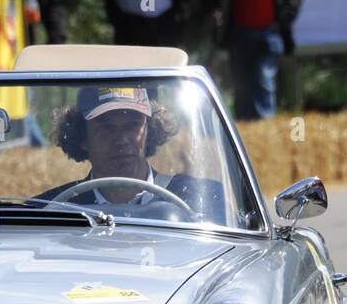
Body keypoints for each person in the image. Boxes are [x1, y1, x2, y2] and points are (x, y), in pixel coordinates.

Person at [33, 86, 222, 216]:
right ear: (83, 138)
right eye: (106, 128)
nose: (121, 140)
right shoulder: (51, 210)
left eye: (132, 125)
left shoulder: (203, 198)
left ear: (150, 129)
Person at [206, 0, 303, 121]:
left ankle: (264, 122)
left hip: (269, 33)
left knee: (262, 76)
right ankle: (245, 126)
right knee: (242, 82)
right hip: (238, 34)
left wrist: (285, 18)